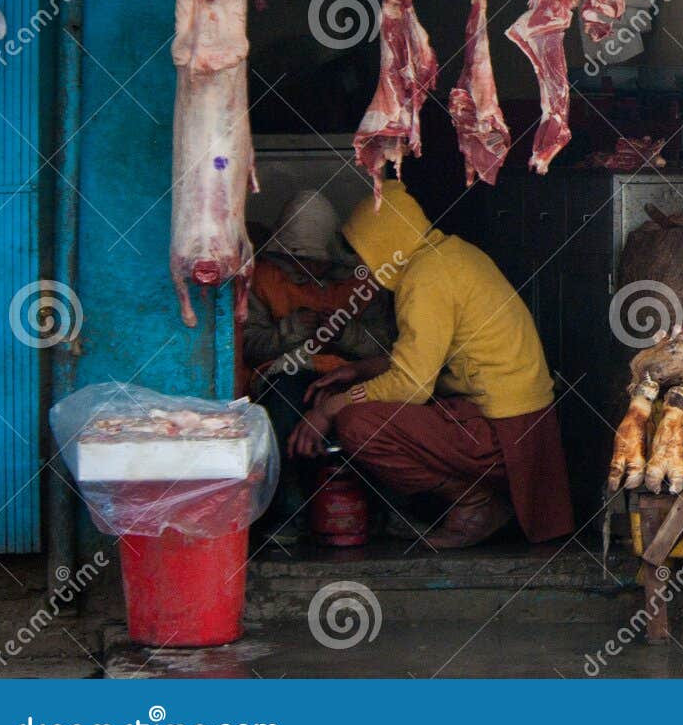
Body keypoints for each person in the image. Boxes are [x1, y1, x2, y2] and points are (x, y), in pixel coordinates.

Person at [287, 182, 574, 549]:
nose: (364, 268)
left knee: (358, 424)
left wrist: (329, 408)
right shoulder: (449, 255)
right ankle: (471, 500)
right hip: (515, 426)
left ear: (382, 244)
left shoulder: (425, 278)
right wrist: (361, 370)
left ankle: (475, 503)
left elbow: (411, 385)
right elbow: (428, 358)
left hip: (502, 435)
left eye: (364, 255)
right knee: (368, 406)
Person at [244, 190, 393, 536]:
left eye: (315, 261)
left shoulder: (363, 281)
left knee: (383, 413)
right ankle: (285, 512)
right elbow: (248, 346)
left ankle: (387, 511)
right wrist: (289, 332)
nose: (308, 269)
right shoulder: (263, 278)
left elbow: (389, 350)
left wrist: (348, 334)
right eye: (298, 262)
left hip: (351, 377)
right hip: (287, 375)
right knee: (280, 409)